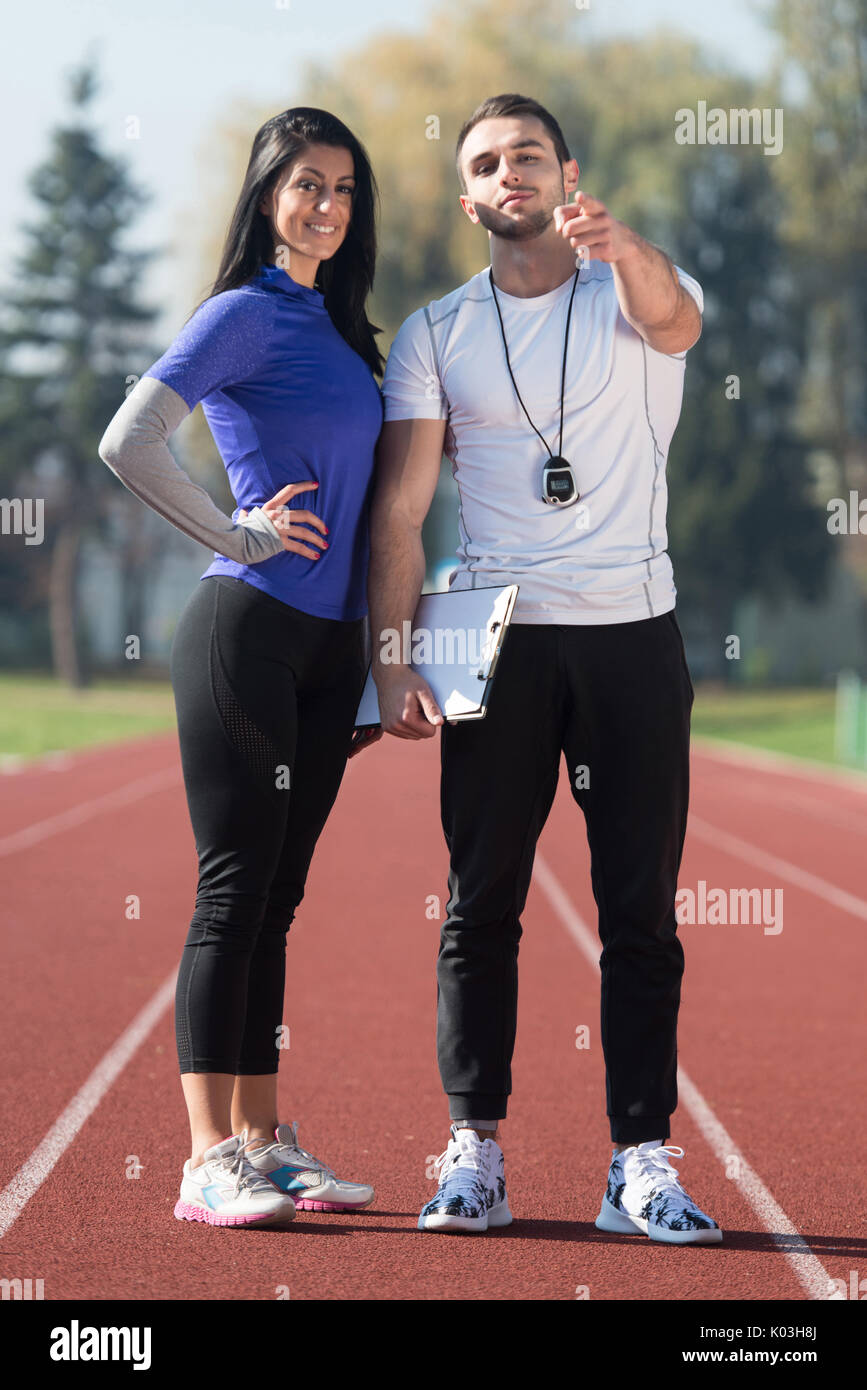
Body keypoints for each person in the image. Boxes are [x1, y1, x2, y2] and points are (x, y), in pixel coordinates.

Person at [369, 93, 722, 1243]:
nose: (507, 171)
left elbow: (677, 326)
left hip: (633, 631)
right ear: (467, 194)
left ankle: (640, 1162)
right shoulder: (435, 332)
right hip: (499, 636)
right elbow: (405, 506)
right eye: (485, 161)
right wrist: (391, 657)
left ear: (565, 172)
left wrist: (624, 248)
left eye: (527, 153)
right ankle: (476, 1154)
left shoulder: (633, 286)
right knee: (480, 904)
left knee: (641, 914)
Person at [99, 107, 384, 1228]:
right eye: (306, 183)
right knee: (232, 893)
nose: (325, 204)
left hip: (327, 652)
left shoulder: (346, 331)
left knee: (279, 899)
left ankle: (265, 1141)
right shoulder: (243, 314)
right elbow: (130, 438)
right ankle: (203, 1156)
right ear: (269, 192)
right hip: (246, 631)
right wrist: (238, 531)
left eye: (345, 190)